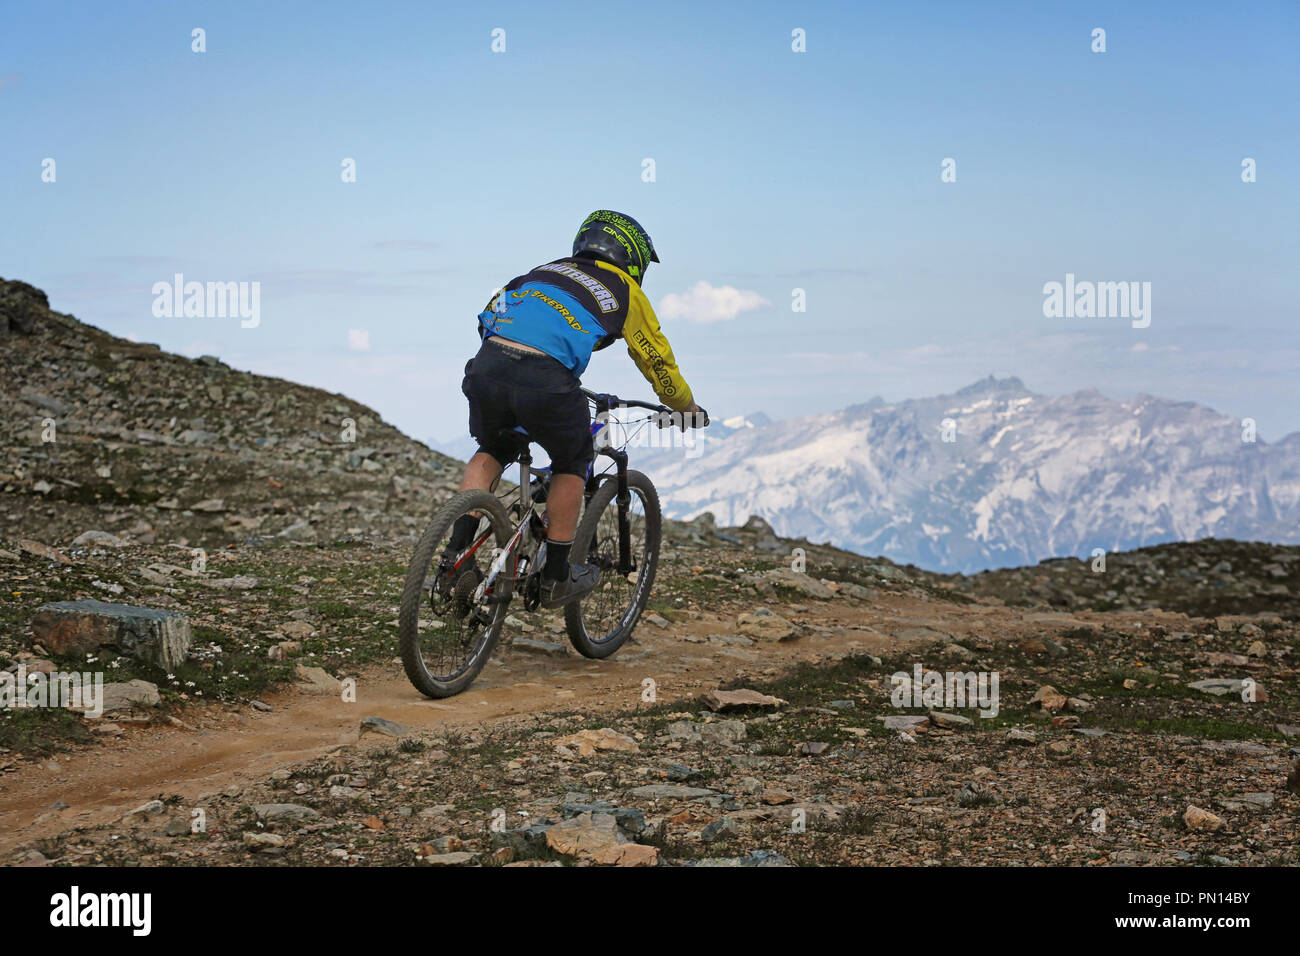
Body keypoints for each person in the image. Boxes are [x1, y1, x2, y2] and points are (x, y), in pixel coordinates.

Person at [447, 209, 707, 607]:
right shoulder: (626, 291)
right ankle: (555, 577)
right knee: (573, 460)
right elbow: (656, 361)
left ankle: (455, 555)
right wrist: (685, 406)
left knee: (493, 449)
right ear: (632, 258)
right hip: (546, 379)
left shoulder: (540, 272)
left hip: (489, 365)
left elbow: (490, 317)